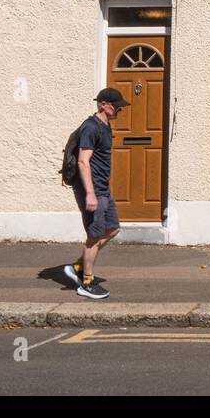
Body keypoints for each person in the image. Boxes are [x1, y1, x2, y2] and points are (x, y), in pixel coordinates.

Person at [63, 88, 129, 300]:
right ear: (103, 104)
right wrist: (90, 194)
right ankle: (86, 283)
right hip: (92, 190)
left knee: (112, 228)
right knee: (94, 236)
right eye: (116, 105)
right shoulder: (91, 127)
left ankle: (77, 267)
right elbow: (83, 161)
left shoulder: (105, 126)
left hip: (102, 188)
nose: (119, 108)